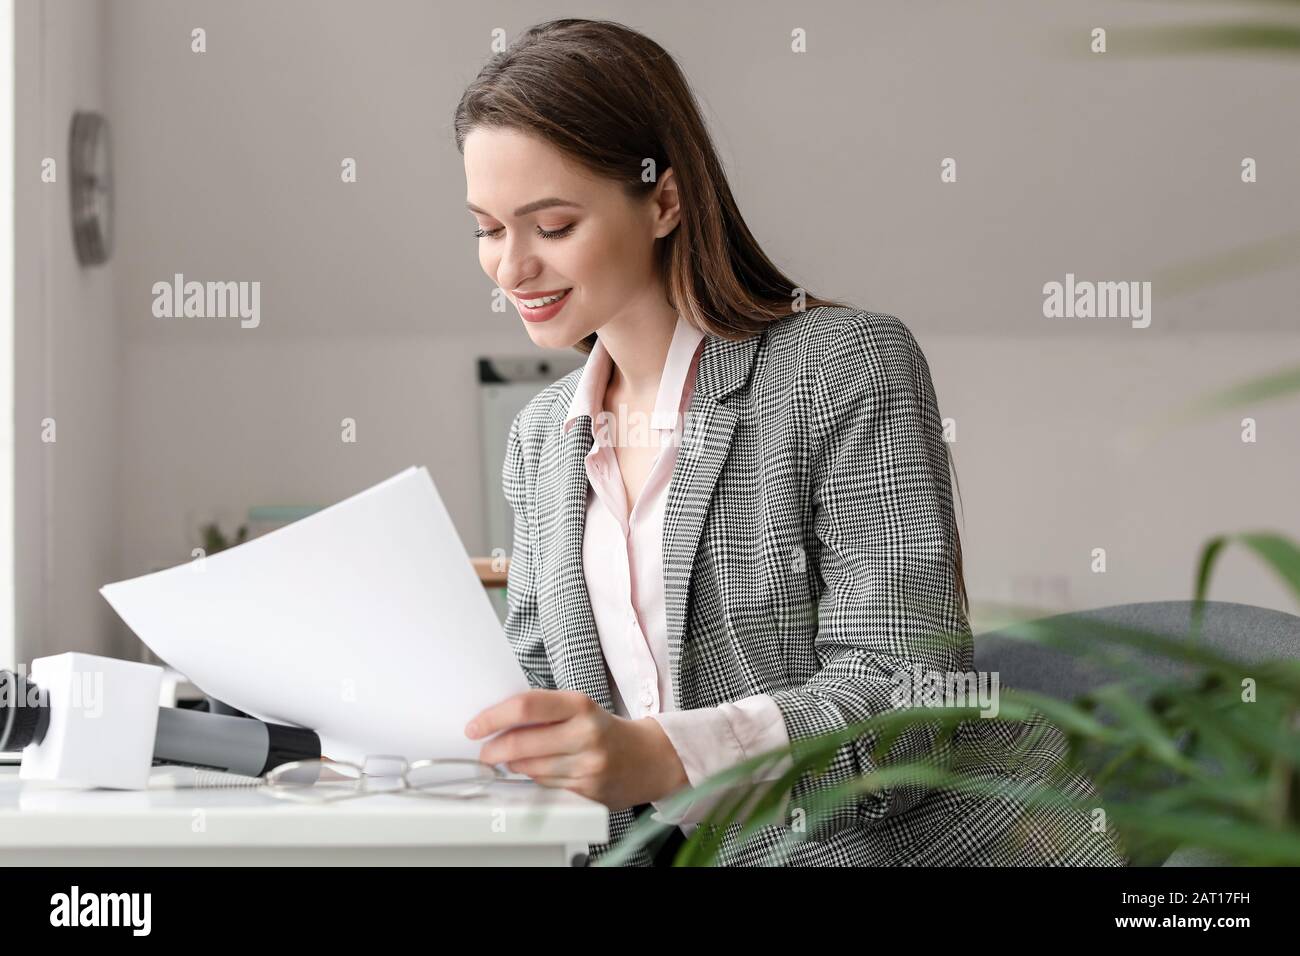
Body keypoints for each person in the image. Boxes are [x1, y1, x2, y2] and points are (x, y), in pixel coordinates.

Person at [455, 18, 1128, 867]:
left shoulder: (840, 368)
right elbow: (538, 690)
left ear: (663, 200)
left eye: (551, 227)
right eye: (486, 229)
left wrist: (661, 757)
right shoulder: (540, 440)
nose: (510, 270)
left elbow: (904, 696)